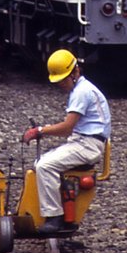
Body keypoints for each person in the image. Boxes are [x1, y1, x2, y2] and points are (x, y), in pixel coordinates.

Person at [21, 49, 111, 235]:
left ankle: (55, 218)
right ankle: (65, 212)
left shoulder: (82, 92)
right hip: (85, 142)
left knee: (45, 165)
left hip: (87, 144)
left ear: (75, 72)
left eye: (63, 79)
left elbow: (67, 128)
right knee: (41, 163)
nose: (60, 84)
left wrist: (40, 131)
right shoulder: (82, 89)